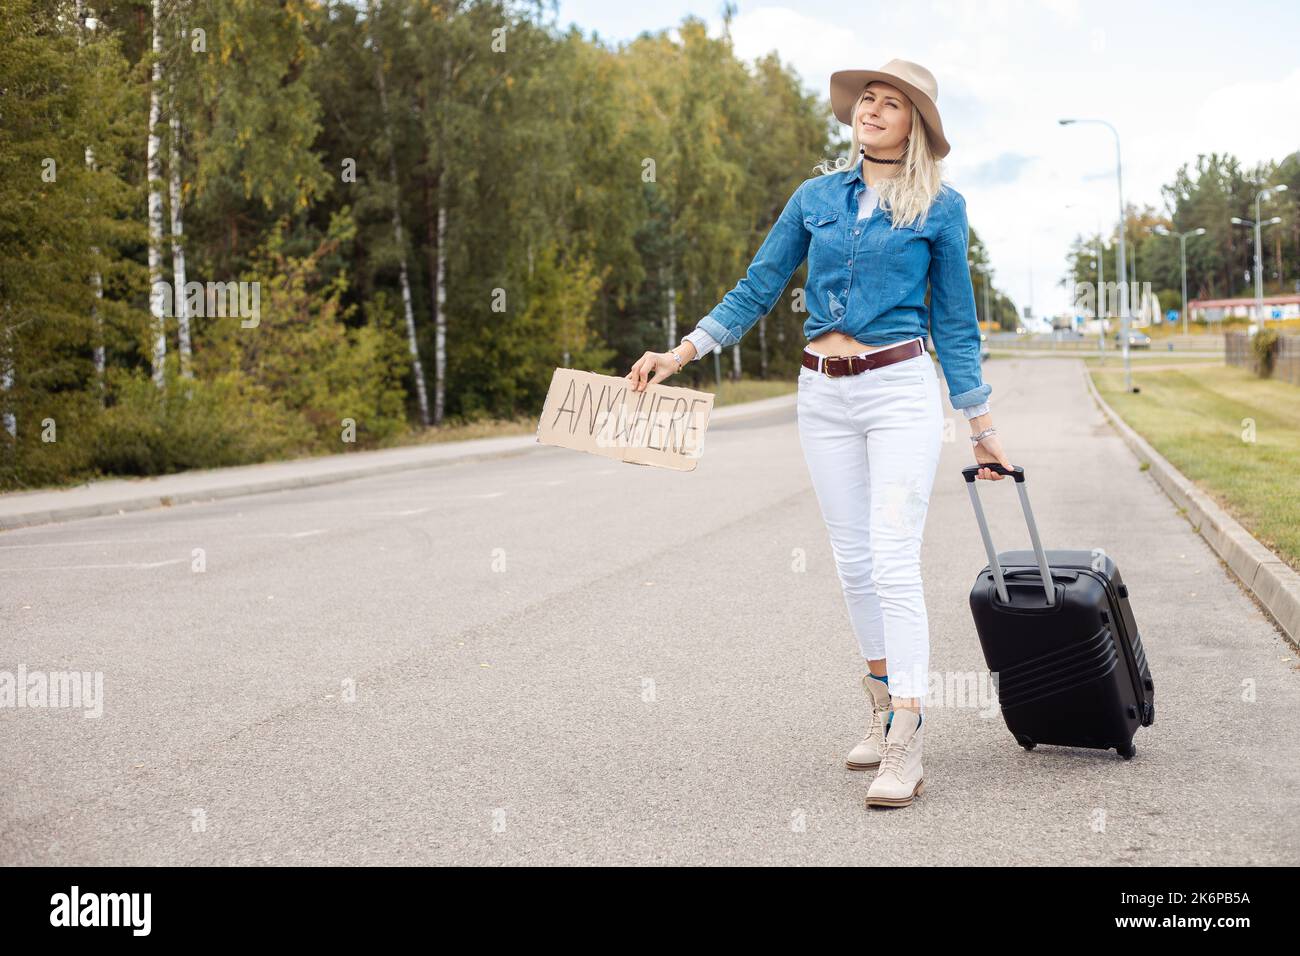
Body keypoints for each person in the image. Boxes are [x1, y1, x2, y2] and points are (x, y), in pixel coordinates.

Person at [625, 60, 1014, 809]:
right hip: (821, 394)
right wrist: (680, 354)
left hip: (899, 389)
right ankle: (879, 704)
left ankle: (908, 731)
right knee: (853, 562)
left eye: (891, 101)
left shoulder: (941, 206)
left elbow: (955, 323)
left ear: (915, 125)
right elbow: (757, 287)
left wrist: (981, 425)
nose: (872, 108)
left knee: (894, 559)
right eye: (867, 97)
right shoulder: (814, 198)